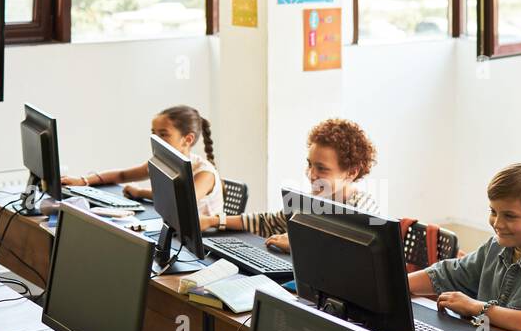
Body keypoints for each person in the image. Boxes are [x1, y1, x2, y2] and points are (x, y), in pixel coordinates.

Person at [407, 162, 521, 331]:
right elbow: (449, 274)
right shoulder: (495, 246)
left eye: (509, 216)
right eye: (493, 211)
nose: (497, 223)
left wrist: (477, 307)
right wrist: (400, 283)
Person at [205, 118, 378, 253]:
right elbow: (269, 223)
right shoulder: (313, 199)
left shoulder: (363, 209)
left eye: (322, 169)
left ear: (352, 172)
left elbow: (348, 255)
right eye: (309, 164)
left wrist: (299, 245)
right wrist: (213, 220)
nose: (311, 174)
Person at [62, 104, 223, 217]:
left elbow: (181, 202)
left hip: (205, 244)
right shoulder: (166, 161)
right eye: (154, 133)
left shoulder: (205, 173)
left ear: (187, 140)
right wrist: (83, 181)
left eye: (163, 134)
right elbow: (123, 176)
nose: (156, 139)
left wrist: (140, 193)